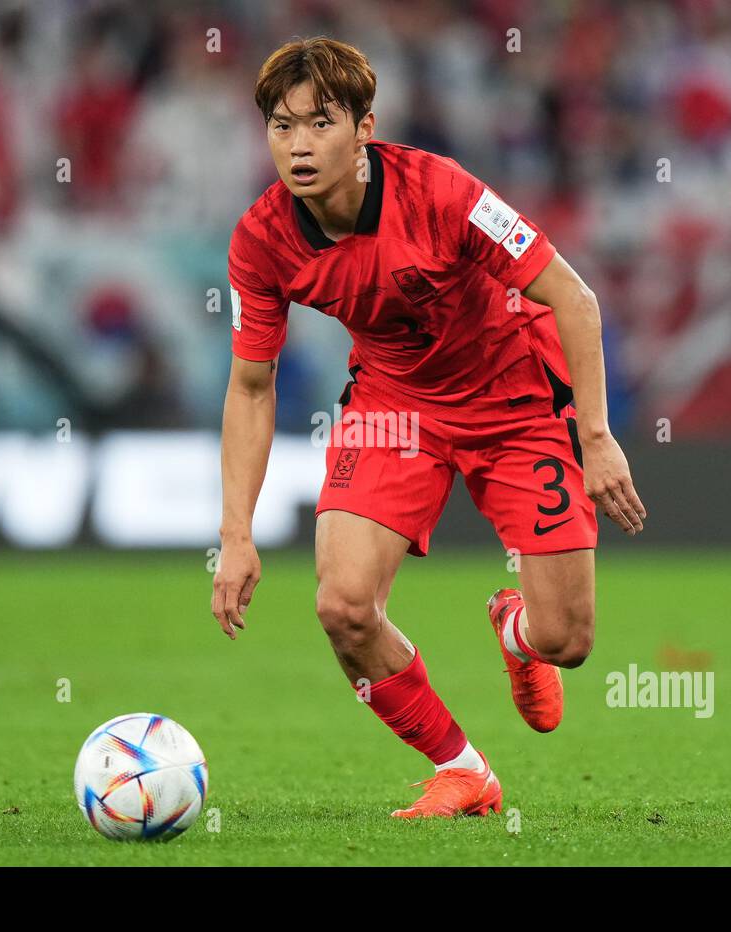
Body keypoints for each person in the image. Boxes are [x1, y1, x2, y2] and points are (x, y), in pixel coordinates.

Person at [212, 37, 646, 818]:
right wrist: (236, 532)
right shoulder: (261, 241)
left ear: (365, 129)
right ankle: (465, 768)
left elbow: (573, 298)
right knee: (343, 605)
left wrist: (597, 436)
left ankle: (517, 633)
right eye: (282, 126)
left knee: (567, 641)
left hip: (517, 400)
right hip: (395, 408)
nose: (300, 144)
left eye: (320, 123)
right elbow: (250, 387)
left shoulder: (442, 191)